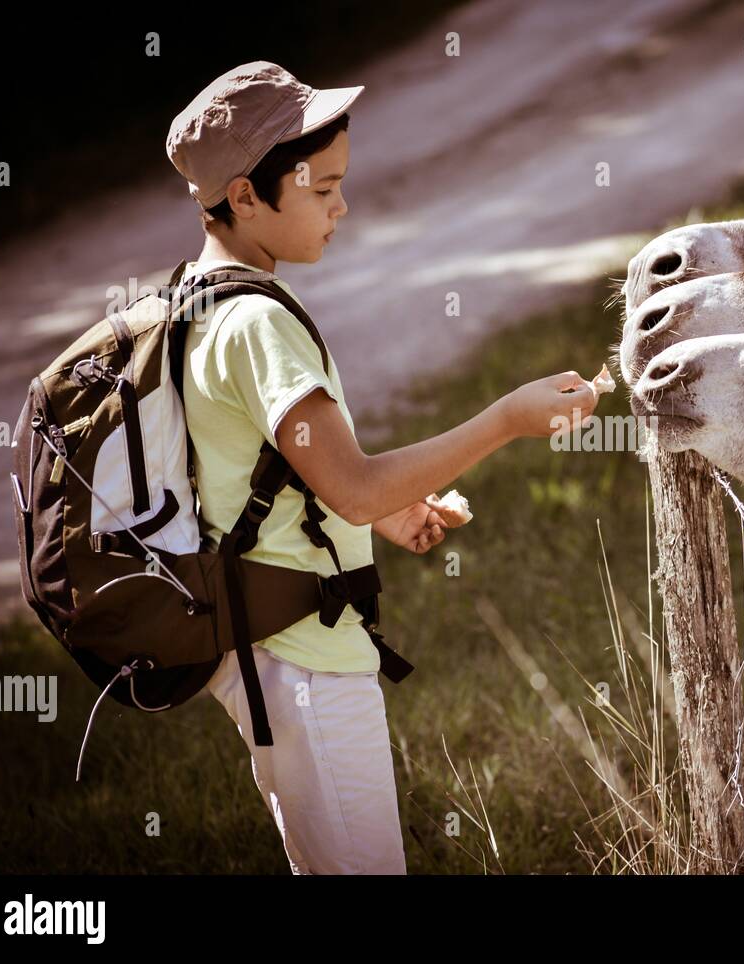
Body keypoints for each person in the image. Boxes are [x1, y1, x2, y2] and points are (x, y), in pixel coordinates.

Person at [165, 61, 599, 874]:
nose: (343, 207)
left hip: (275, 653)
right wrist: (507, 419)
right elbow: (353, 482)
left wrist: (377, 510)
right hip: (305, 667)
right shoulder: (258, 323)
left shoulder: (200, 297)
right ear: (246, 196)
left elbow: (265, 470)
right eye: (323, 188)